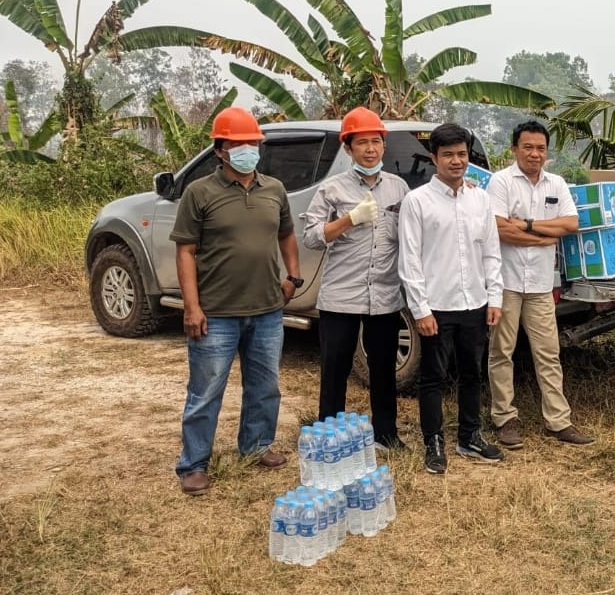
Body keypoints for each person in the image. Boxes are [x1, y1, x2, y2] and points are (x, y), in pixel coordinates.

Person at [171, 107, 302, 496]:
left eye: (253, 143)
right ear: (220, 151)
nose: (248, 149)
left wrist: (293, 277)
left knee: (265, 385)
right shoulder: (200, 193)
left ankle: (257, 445)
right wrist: (192, 307)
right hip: (217, 314)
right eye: (238, 144)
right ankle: (194, 464)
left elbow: (287, 235)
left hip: (267, 310)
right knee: (206, 390)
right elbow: (185, 252)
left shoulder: (274, 189)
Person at [398, 123, 505, 474]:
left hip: (474, 302)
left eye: (461, 154)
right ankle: (434, 441)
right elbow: (410, 260)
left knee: (473, 373)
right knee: (433, 376)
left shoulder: (480, 198)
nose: (456, 161)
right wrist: (420, 309)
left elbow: (491, 252)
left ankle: (470, 436)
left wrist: (495, 297)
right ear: (434, 158)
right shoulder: (417, 202)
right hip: (436, 306)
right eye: (448, 155)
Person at [303, 107, 410, 449]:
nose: (370, 149)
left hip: (384, 294)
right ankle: (330, 438)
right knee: (335, 370)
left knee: (383, 368)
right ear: (348, 148)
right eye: (362, 142)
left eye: (376, 142)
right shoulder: (331, 189)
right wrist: (349, 218)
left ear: (383, 146)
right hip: (341, 295)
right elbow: (311, 236)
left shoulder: (398, 188)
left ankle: (386, 433)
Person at [486, 121, 595, 449]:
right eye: (528, 147)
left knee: (549, 352)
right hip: (505, 282)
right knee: (501, 351)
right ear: (514, 149)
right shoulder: (501, 182)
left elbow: (571, 224)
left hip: (540, 285)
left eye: (540, 148)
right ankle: (505, 418)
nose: (535, 154)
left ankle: (558, 421)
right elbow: (500, 229)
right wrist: (544, 237)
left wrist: (528, 225)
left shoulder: (557, 183)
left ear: (547, 152)